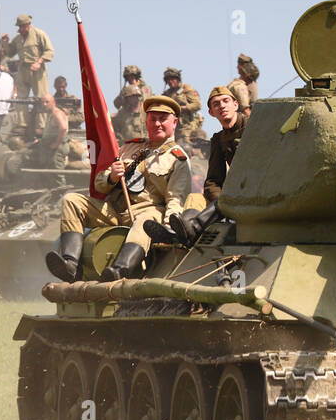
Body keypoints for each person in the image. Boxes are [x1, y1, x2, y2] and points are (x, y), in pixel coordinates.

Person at [45, 95, 192, 284]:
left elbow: (176, 199)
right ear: (146, 121)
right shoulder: (130, 147)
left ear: (174, 122)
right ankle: (70, 265)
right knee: (71, 200)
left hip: (148, 211)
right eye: (152, 119)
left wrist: (168, 229)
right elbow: (99, 184)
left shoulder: (177, 158)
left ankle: (119, 270)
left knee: (145, 222)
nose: (157, 124)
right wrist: (112, 176)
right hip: (114, 210)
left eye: (163, 119)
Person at [145, 86, 244, 247]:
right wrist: (220, 201)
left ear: (236, 104)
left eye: (226, 101)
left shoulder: (253, 127)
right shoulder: (219, 139)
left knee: (218, 204)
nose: (222, 106)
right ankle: (182, 231)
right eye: (216, 104)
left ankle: (190, 230)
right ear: (211, 112)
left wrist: (224, 203)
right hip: (231, 198)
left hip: (255, 192)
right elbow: (213, 181)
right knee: (194, 198)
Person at [0, 14, 55, 99]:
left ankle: (41, 112)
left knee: (41, 99)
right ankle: (22, 112)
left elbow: (49, 51)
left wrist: (39, 62)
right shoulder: (18, 38)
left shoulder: (39, 34)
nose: (20, 29)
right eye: (19, 26)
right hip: (22, 70)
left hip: (37, 70)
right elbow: (10, 53)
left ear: (28, 24)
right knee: (20, 99)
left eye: (22, 26)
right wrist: (5, 43)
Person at [162, 68, 205, 148]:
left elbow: (197, 105)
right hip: (172, 129)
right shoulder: (167, 94)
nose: (170, 81)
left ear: (178, 79)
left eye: (172, 79)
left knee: (187, 149)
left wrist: (182, 108)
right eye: (168, 80)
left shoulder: (186, 89)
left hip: (187, 128)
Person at [25, 94, 69, 169]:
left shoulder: (57, 113)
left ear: (53, 102)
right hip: (49, 148)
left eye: (47, 102)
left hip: (57, 150)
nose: (44, 104)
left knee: (56, 175)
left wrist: (56, 144)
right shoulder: (51, 115)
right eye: (42, 102)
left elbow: (63, 128)